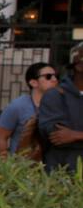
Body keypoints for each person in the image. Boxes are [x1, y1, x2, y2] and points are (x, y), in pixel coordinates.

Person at [36, 41, 83, 172]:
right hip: (64, 174)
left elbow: (71, 135)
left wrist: (77, 135)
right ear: (79, 66)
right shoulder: (55, 95)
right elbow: (58, 135)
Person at [0, 62, 56, 157]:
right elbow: (2, 137)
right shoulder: (18, 106)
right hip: (22, 165)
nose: (54, 79)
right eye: (48, 76)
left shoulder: (60, 106)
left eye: (55, 76)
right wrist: (5, 165)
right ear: (33, 82)